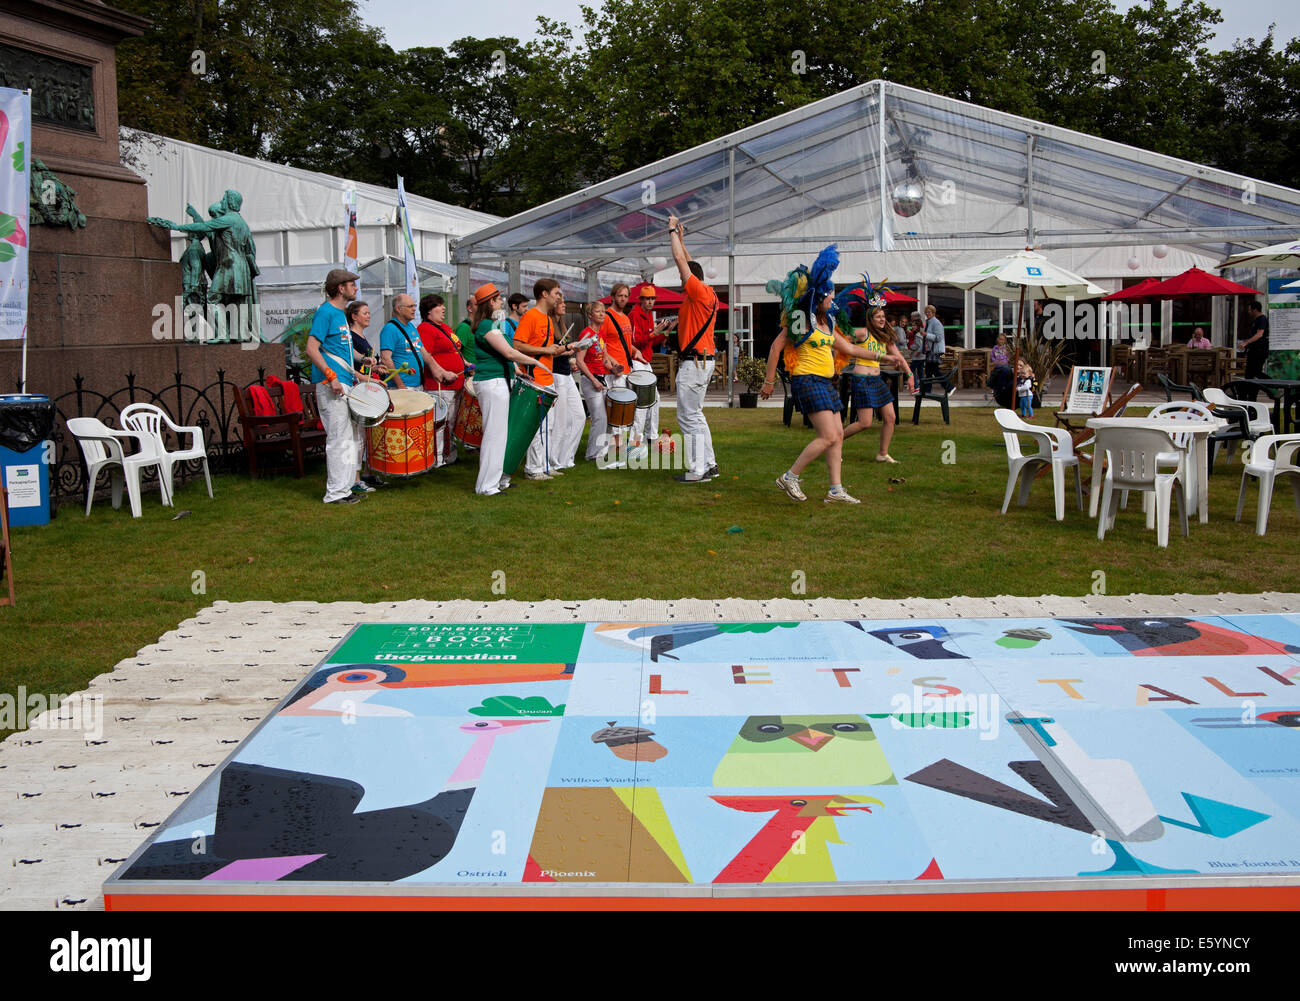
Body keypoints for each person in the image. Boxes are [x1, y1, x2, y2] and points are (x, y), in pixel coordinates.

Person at [759, 246, 888, 504]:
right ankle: (790, 477)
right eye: (830, 293)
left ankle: (835, 490)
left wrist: (885, 357)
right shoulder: (800, 320)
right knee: (828, 436)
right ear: (819, 296)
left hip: (826, 382)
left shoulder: (828, 322)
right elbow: (776, 347)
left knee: (838, 435)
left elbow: (850, 348)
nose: (834, 298)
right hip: (807, 380)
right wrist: (769, 380)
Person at [303, 269, 370, 505]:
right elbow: (312, 348)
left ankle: (345, 487)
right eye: (352, 284)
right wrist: (331, 376)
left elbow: (340, 350)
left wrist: (362, 360)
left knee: (349, 438)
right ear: (340, 288)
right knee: (338, 439)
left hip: (344, 382)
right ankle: (334, 493)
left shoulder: (340, 314)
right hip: (332, 384)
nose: (355, 288)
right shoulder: (326, 312)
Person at [470, 290, 543, 496]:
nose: (501, 301)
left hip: (498, 381)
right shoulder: (486, 325)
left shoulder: (491, 324)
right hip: (492, 383)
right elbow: (509, 352)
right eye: (498, 299)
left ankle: (496, 481)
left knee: (500, 434)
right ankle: (486, 486)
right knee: (494, 435)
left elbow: (506, 355)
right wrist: (537, 361)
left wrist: (518, 370)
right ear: (490, 302)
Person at [667, 214, 720, 483]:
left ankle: (698, 469)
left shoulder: (697, 292)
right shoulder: (705, 293)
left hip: (695, 363)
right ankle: (709, 464)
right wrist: (682, 237)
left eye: (684, 276)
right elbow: (687, 263)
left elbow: (680, 262)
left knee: (687, 417)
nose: (680, 278)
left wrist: (671, 232)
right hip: (702, 361)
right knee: (695, 415)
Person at [840, 295, 915, 465]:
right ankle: (834, 442)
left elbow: (900, 358)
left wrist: (909, 375)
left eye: (883, 316)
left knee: (890, 417)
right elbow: (841, 341)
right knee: (864, 423)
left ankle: (882, 453)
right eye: (878, 317)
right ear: (870, 319)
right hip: (862, 380)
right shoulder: (862, 333)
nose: (882, 319)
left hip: (877, 380)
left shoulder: (884, 338)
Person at [511, 278, 572, 480]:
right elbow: (517, 345)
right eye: (556, 293)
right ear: (544, 294)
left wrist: (563, 349)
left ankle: (544, 464)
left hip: (547, 376)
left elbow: (547, 350)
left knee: (549, 425)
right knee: (538, 426)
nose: (559, 297)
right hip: (535, 377)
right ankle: (533, 468)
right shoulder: (531, 316)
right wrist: (544, 350)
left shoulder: (546, 318)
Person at [418, 293, 467, 467]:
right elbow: (426, 355)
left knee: (450, 421)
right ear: (429, 311)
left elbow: (453, 350)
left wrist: (464, 363)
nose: (444, 308)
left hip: (455, 382)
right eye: (439, 305)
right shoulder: (425, 328)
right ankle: (437, 458)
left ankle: (449, 454)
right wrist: (442, 371)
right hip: (439, 384)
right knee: (440, 422)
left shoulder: (444, 327)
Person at [599, 283, 647, 462]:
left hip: (627, 369)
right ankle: (613, 450)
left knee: (628, 411)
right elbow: (600, 345)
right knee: (617, 413)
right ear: (612, 297)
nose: (623, 299)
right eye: (620, 295)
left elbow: (625, 344)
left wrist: (635, 351)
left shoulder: (626, 318)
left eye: (626, 296)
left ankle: (621, 447)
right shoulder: (606, 317)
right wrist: (611, 364)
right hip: (614, 372)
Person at [345, 300, 389, 491]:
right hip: (357, 390)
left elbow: (363, 364)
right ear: (354, 316)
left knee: (365, 435)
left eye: (369, 312)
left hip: (366, 389)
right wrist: (365, 377)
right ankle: (354, 479)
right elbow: (350, 366)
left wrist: (376, 367)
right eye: (364, 313)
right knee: (357, 436)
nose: (369, 315)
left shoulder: (361, 337)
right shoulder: (350, 338)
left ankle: (367, 473)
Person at [627, 284, 674, 449]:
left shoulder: (647, 315)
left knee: (654, 400)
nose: (650, 301)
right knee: (641, 404)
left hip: (645, 362)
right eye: (647, 298)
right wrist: (654, 332)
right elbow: (634, 343)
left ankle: (651, 437)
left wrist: (665, 333)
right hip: (636, 361)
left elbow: (650, 342)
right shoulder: (634, 315)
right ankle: (635, 440)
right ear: (641, 300)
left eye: (652, 298)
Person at [380, 293, 457, 392]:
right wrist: (401, 386)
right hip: (402, 387)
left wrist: (441, 372)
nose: (414, 309)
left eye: (414, 306)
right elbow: (386, 359)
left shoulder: (411, 327)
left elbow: (424, 353)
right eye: (410, 306)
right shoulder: (390, 329)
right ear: (399, 309)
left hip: (417, 385)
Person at [549, 295, 586, 470]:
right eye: (561, 303)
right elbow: (549, 352)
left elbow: (562, 351)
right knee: (559, 420)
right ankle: (553, 460)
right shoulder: (548, 325)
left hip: (566, 373)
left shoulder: (562, 325)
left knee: (579, 416)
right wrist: (567, 350)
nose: (564, 305)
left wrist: (570, 358)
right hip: (555, 375)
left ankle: (565, 457)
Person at [577, 301, 611, 462]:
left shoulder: (601, 333)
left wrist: (614, 367)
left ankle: (598, 450)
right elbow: (580, 361)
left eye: (603, 311)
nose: (602, 314)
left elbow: (604, 358)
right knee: (599, 417)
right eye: (598, 311)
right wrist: (593, 380)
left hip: (601, 377)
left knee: (604, 417)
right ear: (590, 315)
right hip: (591, 379)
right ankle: (592, 453)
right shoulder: (586, 334)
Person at [1241, 302, 1269, 381]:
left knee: (1255, 372)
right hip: (1253, 350)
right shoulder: (1255, 320)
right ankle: (1251, 392)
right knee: (1249, 373)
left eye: (1250, 310)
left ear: (1255, 310)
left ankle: (1273, 383)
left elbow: (1259, 334)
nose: (1249, 312)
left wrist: (1247, 342)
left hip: (1259, 350)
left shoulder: (1262, 319)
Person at [922, 304, 946, 380]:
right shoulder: (929, 322)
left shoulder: (936, 323)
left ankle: (949, 387)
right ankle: (926, 391)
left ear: (933, 313)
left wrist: (926, 335)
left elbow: (939, 337)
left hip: (935, 351)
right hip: (930, 350)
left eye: (929, 312)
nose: (927, 314)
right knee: (929, 372)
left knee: (934, 371)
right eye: (926, 312)